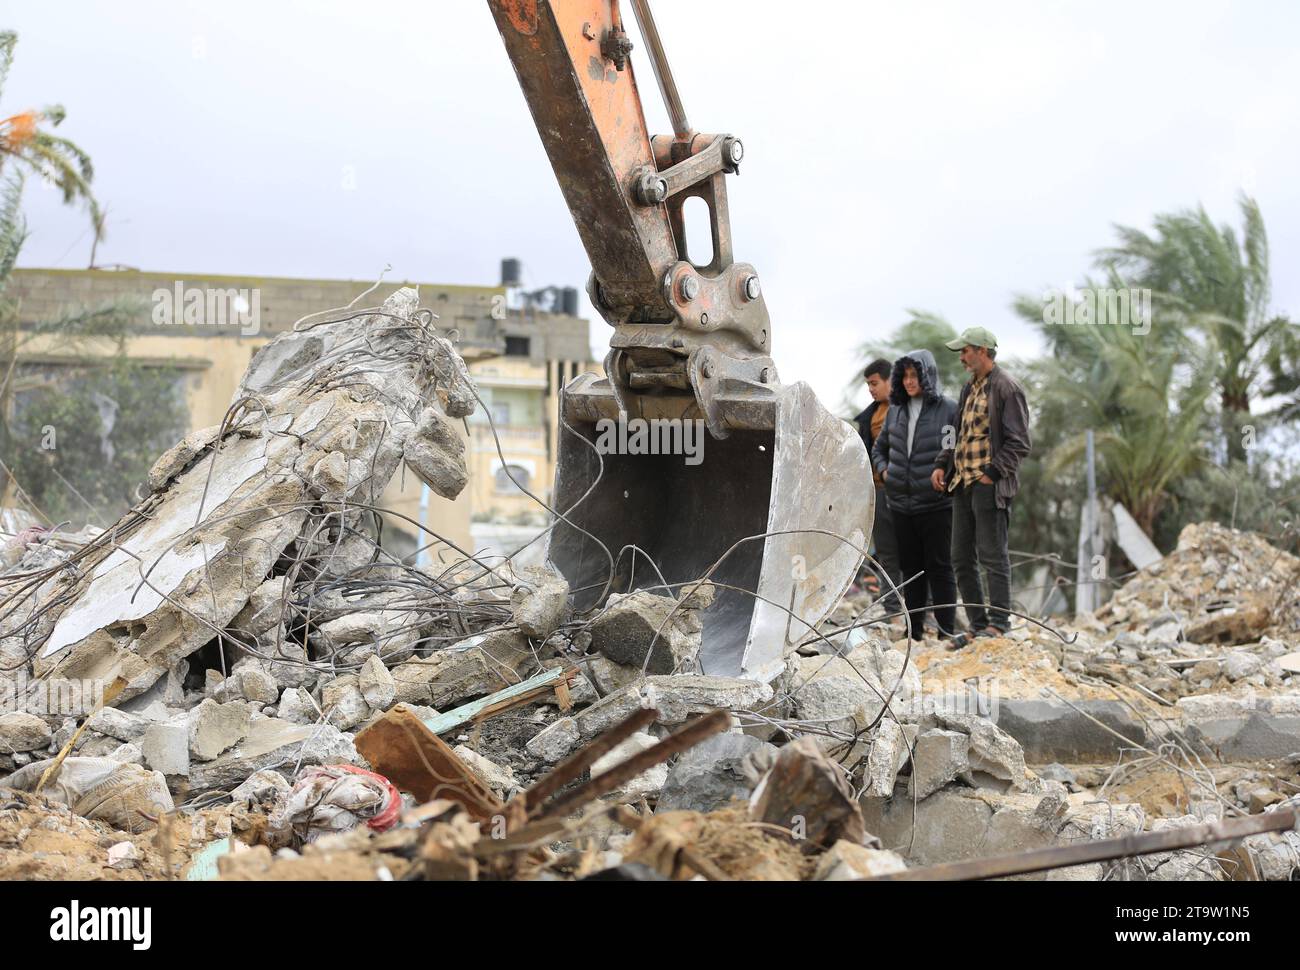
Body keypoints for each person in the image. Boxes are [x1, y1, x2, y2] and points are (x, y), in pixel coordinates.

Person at [931, 327, 1031, 646]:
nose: (961, 357)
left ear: (983, 351)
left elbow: (1019, 443)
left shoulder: (1006, 388)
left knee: (992, 555)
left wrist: (991, 473)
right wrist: (941, 463)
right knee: (960, 556)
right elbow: (957, 433)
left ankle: (1000, 623)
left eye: (965, 351)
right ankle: (977, 625)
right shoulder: (969, 387)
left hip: (988, 485)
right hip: (962, 482)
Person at [872, 349, 959, 640]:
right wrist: (886, 472)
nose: (909, 382)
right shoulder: (896, 409)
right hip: (900, 503)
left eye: (915, 375)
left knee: (940, 567)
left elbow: (952, 450)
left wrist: (944, 475)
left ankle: (947, 631)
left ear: (927, 376)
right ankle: (916, 632)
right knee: (911, 569)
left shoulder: (947, 409)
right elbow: (879, 448)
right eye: (905, 376)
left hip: (935, 502)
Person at [854, 359, 903, 615]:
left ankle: (922, 609)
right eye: (868, 385)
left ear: (889, 381)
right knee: (886, 551)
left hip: (906, 491)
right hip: (879, 490)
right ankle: (893, 607)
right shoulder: (870, 415)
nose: (871, 389)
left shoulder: (906, 409)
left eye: (874, 383)